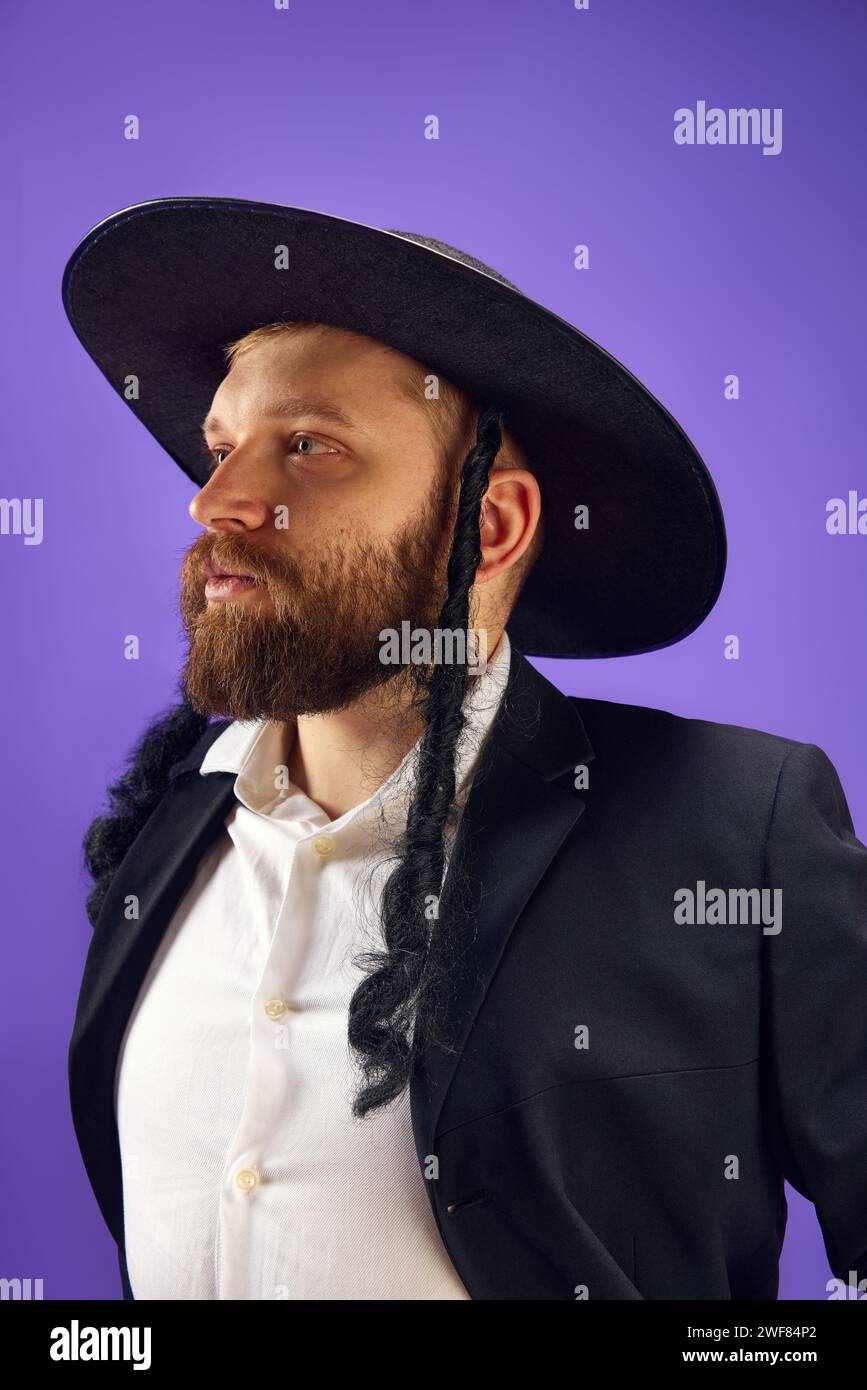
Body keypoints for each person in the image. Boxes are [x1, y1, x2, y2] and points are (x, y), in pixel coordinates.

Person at [63, 198, 867, 1300]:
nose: (219, 500)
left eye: (307, 445)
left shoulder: (737, 828)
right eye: (220, 447)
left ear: (489, 526)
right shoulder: (166, 837)